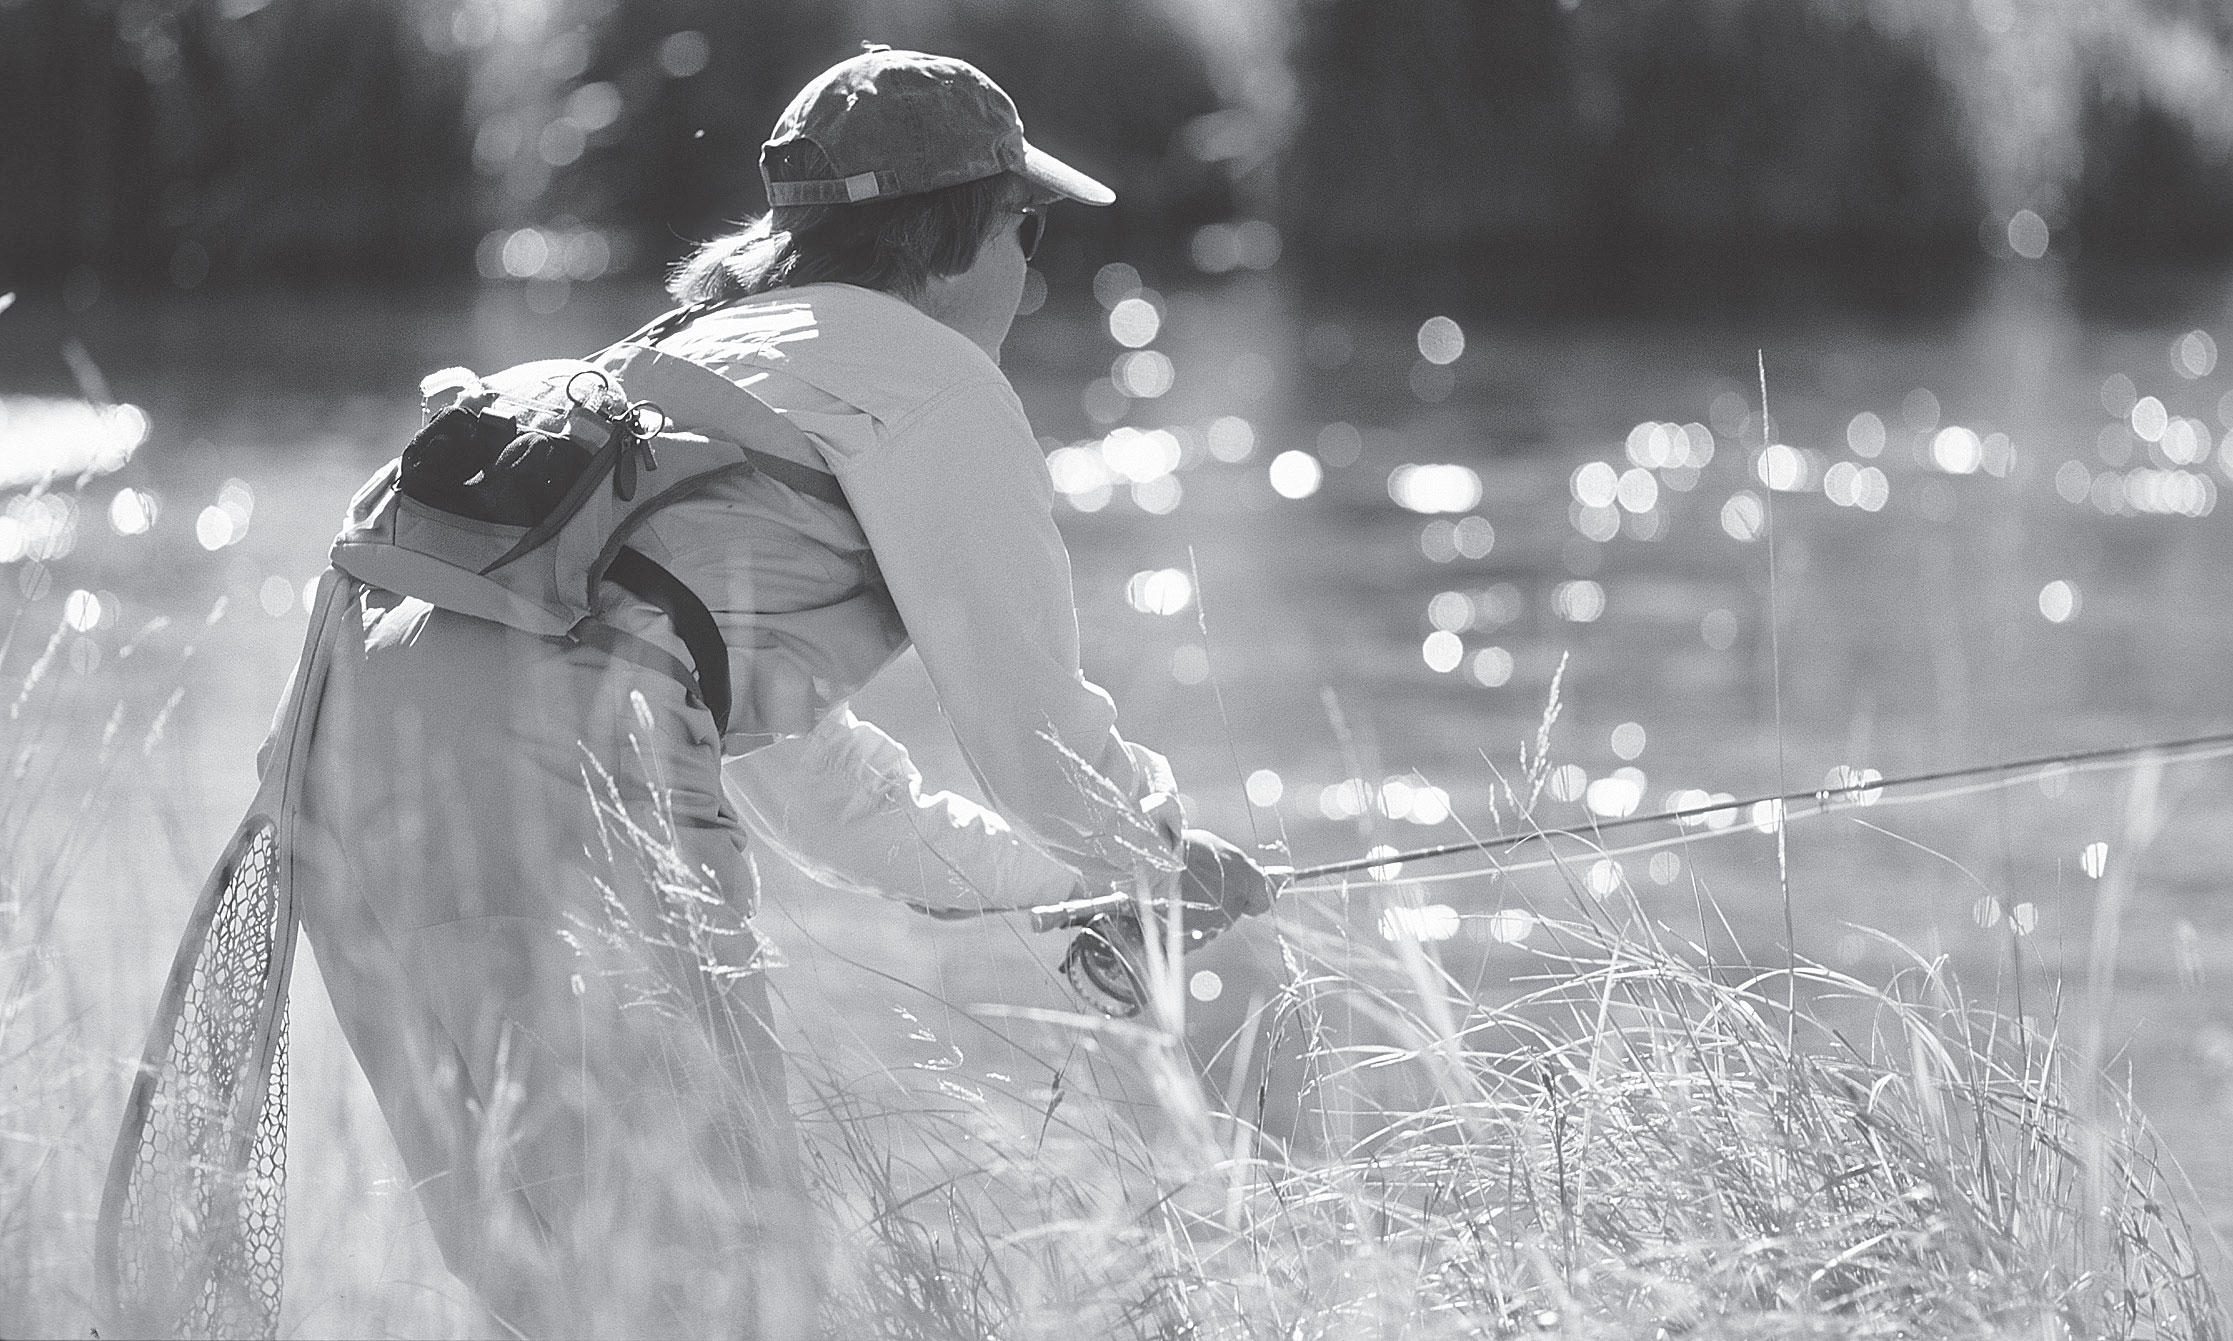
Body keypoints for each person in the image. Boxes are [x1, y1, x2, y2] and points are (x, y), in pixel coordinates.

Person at [283, 45, 1274, 1339]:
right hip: (560, 764)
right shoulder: (930, 378)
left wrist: (1067, 888)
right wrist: (1157, 855)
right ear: (956, 234)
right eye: (1025, 229)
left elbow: (816, 789)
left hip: (333, 763)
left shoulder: (696, 358)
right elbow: (1039, 744)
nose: (1031, 275)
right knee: (728, 1280)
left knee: (557, 1279)